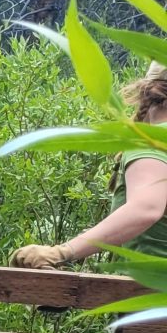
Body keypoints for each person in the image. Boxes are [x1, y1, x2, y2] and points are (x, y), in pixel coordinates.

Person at [11, 67, 167, 269]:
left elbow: (145, 209)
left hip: (151, 291)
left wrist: (62, 252)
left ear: (145, 93)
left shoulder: (153, 140)